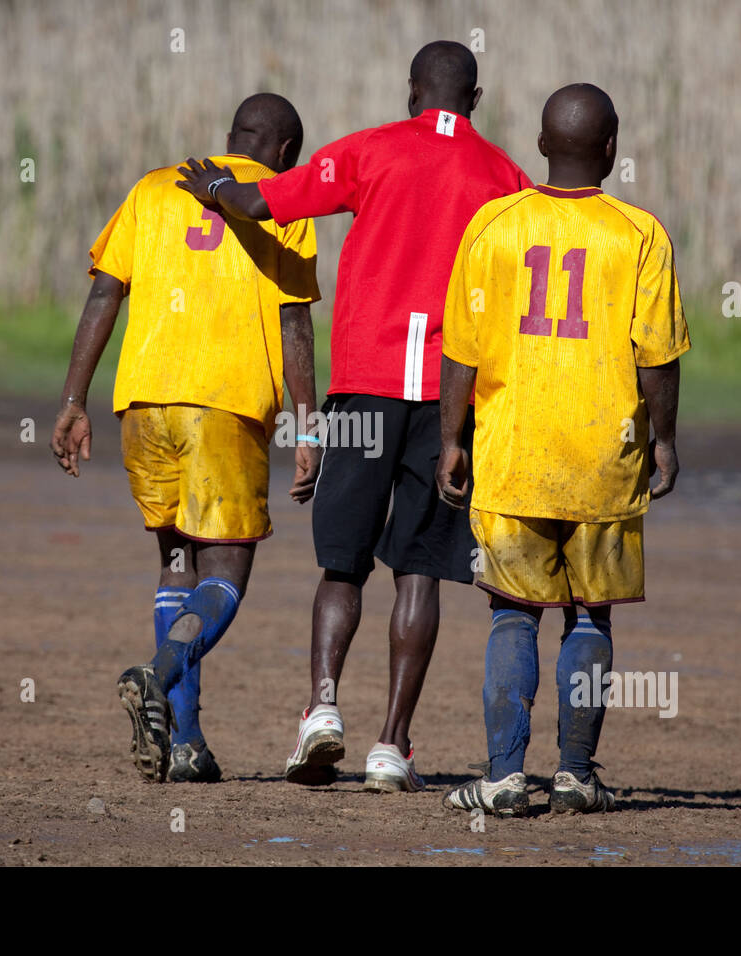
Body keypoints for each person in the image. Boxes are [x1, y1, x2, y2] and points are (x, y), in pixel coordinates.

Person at [177, 41, 533, 792]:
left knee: (343, 564)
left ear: (412, 92)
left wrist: (215, 188)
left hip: (361, 395)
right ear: (474, 99)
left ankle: (320, 710)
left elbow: (263, 201)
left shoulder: (368, 152)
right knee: (420, 570)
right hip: (450, 402)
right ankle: (390, 746)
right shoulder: (506, 179)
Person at [436, 83, 690, 816]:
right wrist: (663, 440)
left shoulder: (494, 223)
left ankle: (504, 778)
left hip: (514, 455)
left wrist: (452, 440)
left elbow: (462, 350)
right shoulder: (640, 234)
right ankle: (577, 773)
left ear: (541, 145)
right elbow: (658, 360)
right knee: (591, 616)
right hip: (605, 461)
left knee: (513, 615)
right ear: (612, 148)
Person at [51, 93, 321, 784]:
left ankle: (185, 742)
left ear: (231, 134)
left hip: (143, 403)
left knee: (177, 565)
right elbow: (294, 326)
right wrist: (307, 420)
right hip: (224, 407)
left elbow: (103, 296)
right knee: (226, 572)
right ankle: (155, 674)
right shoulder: (279, 202)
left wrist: (74, 401)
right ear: (285, 152)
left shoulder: (151, 190)